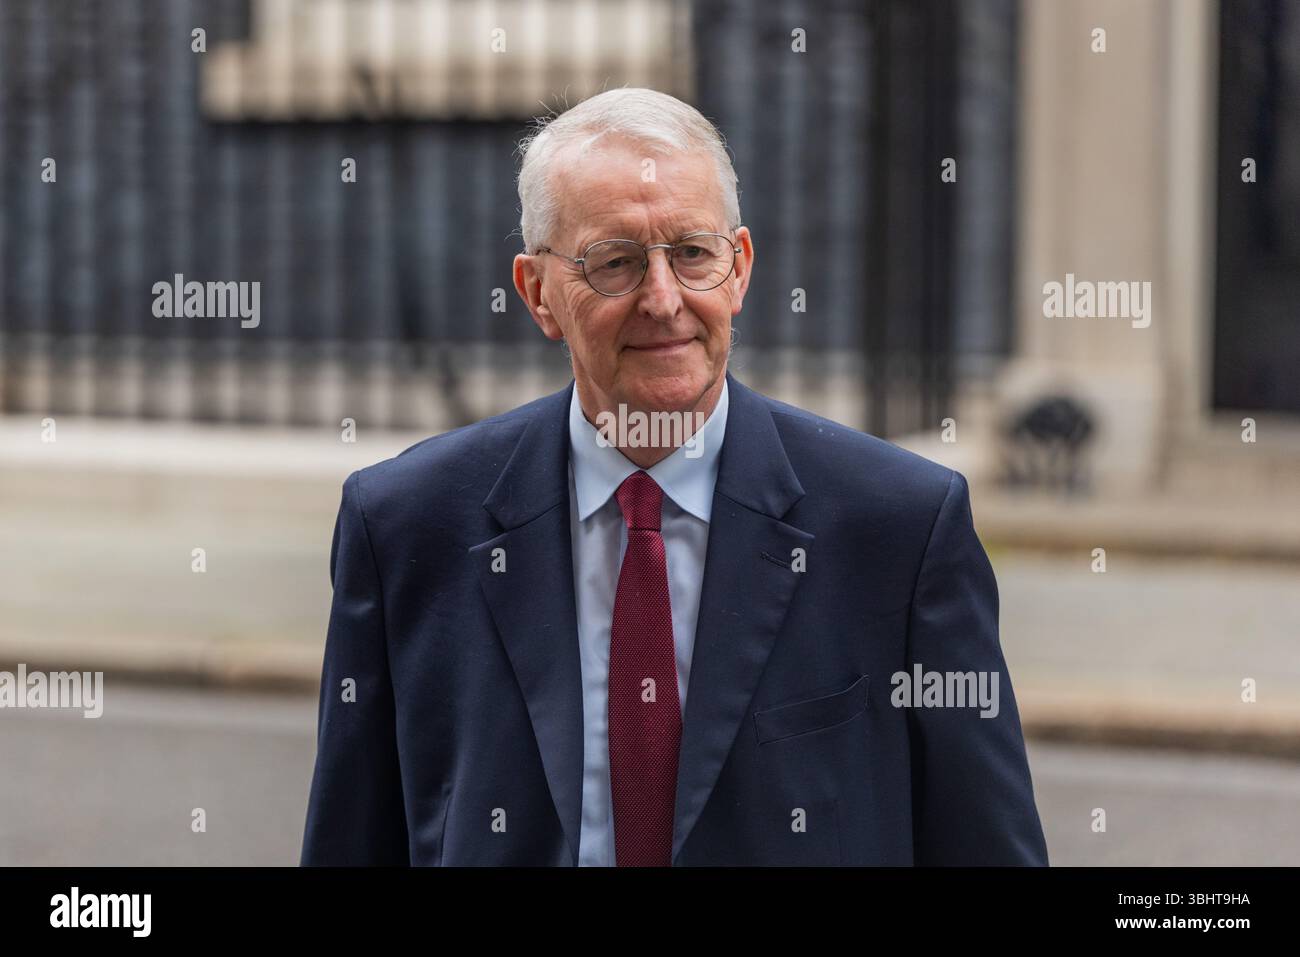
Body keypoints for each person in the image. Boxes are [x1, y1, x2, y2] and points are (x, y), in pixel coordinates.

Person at [300, 87, 1048, 866]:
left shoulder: (898, 527)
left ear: (740, 269)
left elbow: (986, 844)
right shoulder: (405, 525)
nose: (663, 301)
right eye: (615, 262)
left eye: (692, 253)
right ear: (536, 293)